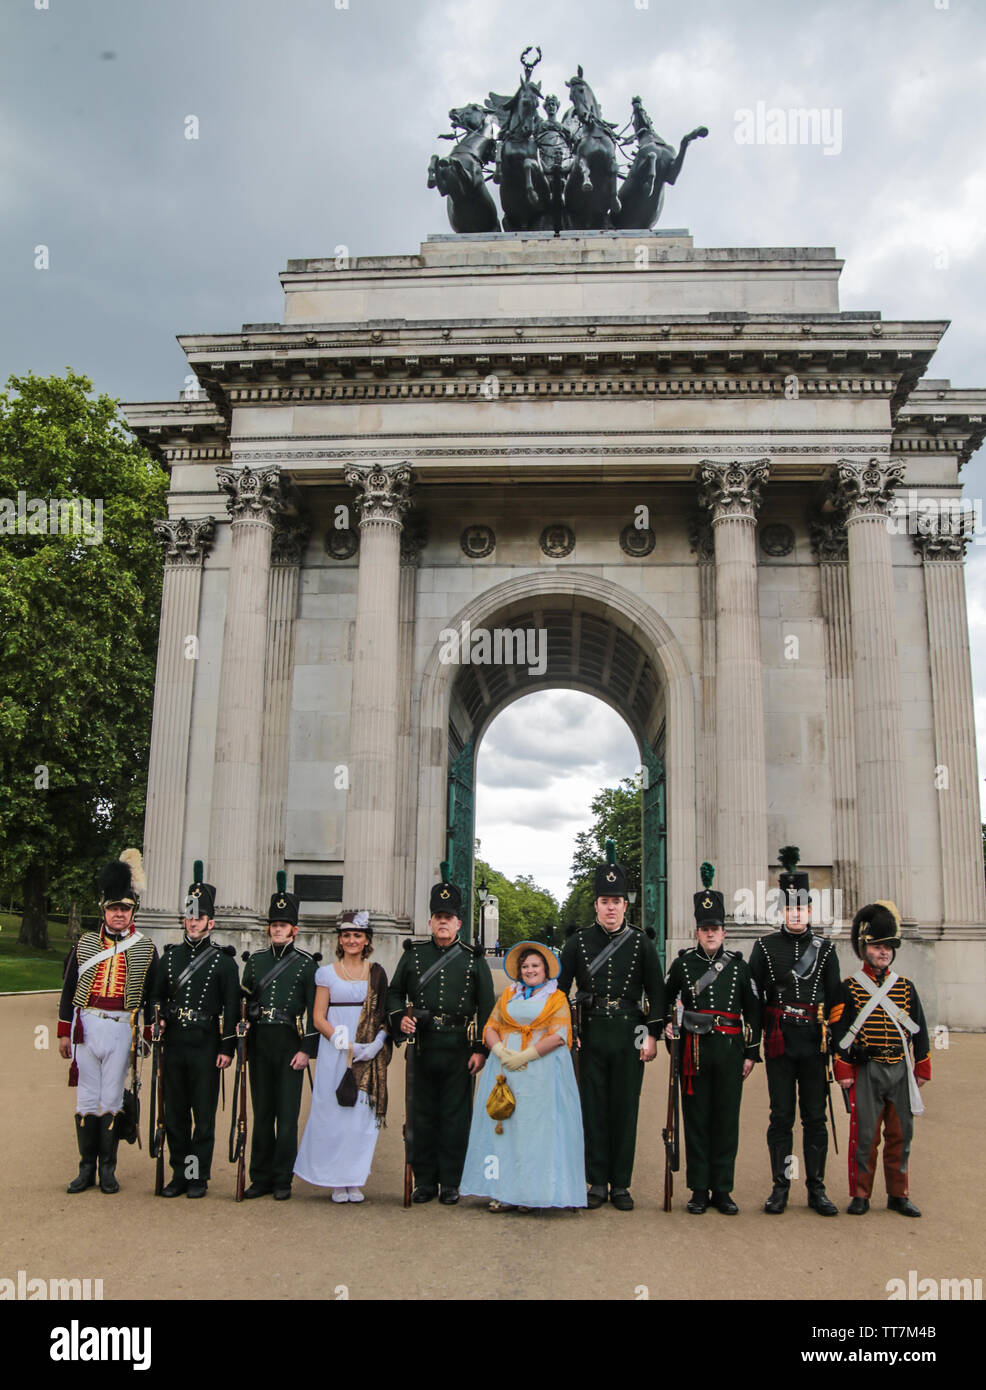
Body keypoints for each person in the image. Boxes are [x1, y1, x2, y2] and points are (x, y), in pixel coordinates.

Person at [557, 839, 664, 1211]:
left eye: (617, 901)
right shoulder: (578, 942)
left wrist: (651, 1034)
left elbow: (658, 992)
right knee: (593, 1108)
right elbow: (558, 993)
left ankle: (621, 1183)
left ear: (625, 904)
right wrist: (569, 1033)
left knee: (625, 1109)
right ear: (596, 905)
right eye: (605, 902)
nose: (611, 908)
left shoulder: (641, 943)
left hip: (630, 1034)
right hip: (590, 1033)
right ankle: (596, 1181)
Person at [386, 872, 495, 1205]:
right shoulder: (413, 955)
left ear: (459, 922)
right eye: (438, 918)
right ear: (430, 921)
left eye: (449, 918)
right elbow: (393, 993)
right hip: (422, 1046)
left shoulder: (473, 959)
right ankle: (424, 1180)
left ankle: (450, 1180)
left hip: (459, 1047)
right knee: (421, 1114)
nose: (443, 923)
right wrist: (400, 1018)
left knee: (455, 1116)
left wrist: (481, 1050)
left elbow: (488, 1007)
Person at [58, 849, 158, 1195]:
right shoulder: (84, 944)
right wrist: (62, 1032)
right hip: (86, 1025)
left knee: (111, 1098)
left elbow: (151, 994)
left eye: (125, 909)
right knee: (86, 1098)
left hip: (121, 1027)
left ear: (133, 911)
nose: (119, 914)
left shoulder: (145, 948)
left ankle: (107, 1169)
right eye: (114, 908)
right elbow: (69, 987)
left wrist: (145, 1033)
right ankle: (86, 1168)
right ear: (104, 910)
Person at [748, 846, 841, 1216]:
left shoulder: (827, 949)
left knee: (815, 1117)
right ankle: (780, 1187)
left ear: (810, 910)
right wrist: (751, 1046)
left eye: (802, 908)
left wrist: (836, 1047)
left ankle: (816, 1189)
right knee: (781, 1116)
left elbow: (835, 1000)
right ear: (782, 911)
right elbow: (753, 1000)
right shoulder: (765, 948)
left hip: (814, 1043)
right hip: (780, 1042)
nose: (796, 914)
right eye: (790, 909)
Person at [664, 863, 761, 1214]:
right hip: (694, 1052)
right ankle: (699, 1189)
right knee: (697, 1119)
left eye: (715, 928)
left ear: (724, 932)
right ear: (697, 932)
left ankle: (723, 1188)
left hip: (730, 1052)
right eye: (704, 929)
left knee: (725, 1120)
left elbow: (754, 1010)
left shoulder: (738, 965)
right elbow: (662, 1000)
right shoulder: (684, 964)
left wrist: (751, 1052)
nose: (710, 934)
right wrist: (667, 1029)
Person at [461, 941, 585, 1211]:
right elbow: (491, 1025)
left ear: (546, 969)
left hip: (541, 1070)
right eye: (525, 966)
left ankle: (532, 1192)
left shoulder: (556, 997)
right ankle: (505, 1190)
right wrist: (501, 1053)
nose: (530, 970)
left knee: (536, 1131)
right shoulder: (508, 994)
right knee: (507, 1129)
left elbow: (559, 1035)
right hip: (506, 1069)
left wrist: (524, 1056)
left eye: (535, 965)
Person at [831, 902, 930, 1217]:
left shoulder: (904, 987)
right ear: (864, 948)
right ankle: (860, 1194)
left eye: (888, 946)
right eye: (877, 945)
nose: (884, 951)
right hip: (866, 1069)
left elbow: (919, 1028)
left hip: (900, 1069)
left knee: (901, 1136)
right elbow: (839, 1031)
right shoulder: (848, 989)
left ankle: (898, 1194)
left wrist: (923, 1063)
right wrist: (843, 1066)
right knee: (865, 1136)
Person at [148, 861, 239, 1198]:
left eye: (199, 919)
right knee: (175, 1114)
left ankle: (197, 1176)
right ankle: (179, 1175)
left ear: (210, 922)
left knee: (202, 1115)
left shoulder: (224, 962)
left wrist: (226, 1048)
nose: (193, 923)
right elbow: (155, 994)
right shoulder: (169, 957)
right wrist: (157, 1015)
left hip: (205, 1044)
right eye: (189, 918)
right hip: (174, 1043)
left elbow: (231, 1008)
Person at [293, 910, 392, 1202]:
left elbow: (384, 1014)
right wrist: (342, 1041)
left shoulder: (377, 972)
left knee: (361, 1117)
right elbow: (318, 1017)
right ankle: (335, 1179)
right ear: (340, 939)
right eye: (347, 935)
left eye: (357, 935)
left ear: (366, 940)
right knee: (333, 1113)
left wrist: (377, 1043)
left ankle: (354, 1178)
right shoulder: (325, 973)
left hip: (367, 1054)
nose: (351, 940)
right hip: (335, 1052)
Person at [240, 872, 318, 1200]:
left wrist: (306, 1049)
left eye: (283, 925)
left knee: (286, 1117)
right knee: (262, 1115)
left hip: (289, 1044)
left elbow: (315, 1013)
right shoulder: (255, 962)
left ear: (294, 930)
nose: (277, 929)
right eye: (273, 924)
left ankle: (283, 1177)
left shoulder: (305, 966)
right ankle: (260, 1176)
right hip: (260, 1044)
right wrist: (242, 1030)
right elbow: (243, 1004)